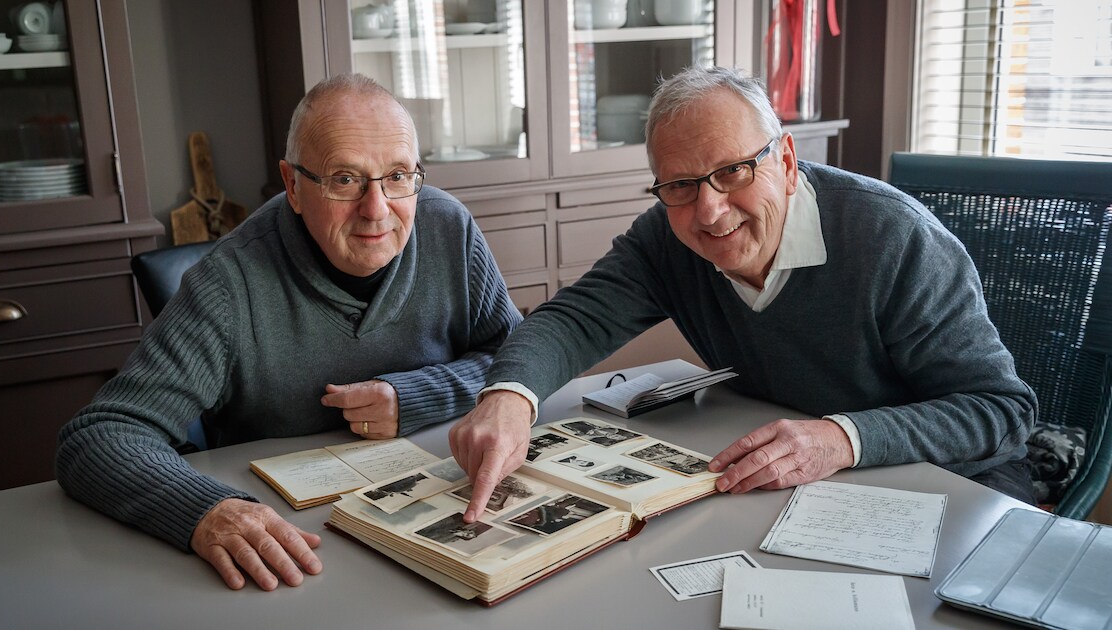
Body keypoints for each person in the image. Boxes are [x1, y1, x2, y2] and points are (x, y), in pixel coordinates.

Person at [449, 65, 1037, 523]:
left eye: (733, 171)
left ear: (784, 159)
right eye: (679, 185)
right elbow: (574, 321)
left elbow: (1001, 413)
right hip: (789, 481)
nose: (709, 209)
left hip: (950, 484)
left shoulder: (895, 238)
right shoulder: (667, 235)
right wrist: (509, 395)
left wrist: (842, 438)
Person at [56, 74, 521, 590]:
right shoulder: (227, 284)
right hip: (293, 546)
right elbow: (100, 436)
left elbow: (514, 356)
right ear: (294, 185)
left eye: (397, 176)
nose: (376, 208)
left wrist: (412, 398)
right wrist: (206, 510)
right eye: (345, 179)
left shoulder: (447, 226)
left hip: (441, 508)